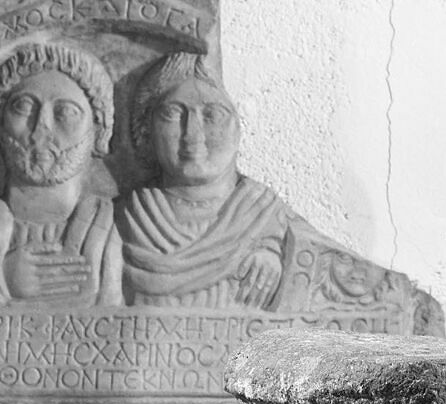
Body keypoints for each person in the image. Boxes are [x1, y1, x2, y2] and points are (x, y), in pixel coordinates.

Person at [121, 51, 413, 316]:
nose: (193, 134)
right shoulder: (121, 219)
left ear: (238, 127)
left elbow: (377, 300)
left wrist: (282, 260)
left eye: (212, 114)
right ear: (145, 129)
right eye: (173, 113)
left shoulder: (267, 216)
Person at [0, 42, 121, 306]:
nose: (41, 128)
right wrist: (5, 278)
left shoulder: (112, 227)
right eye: (23, 107)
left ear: (99, 130)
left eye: (65, 112)